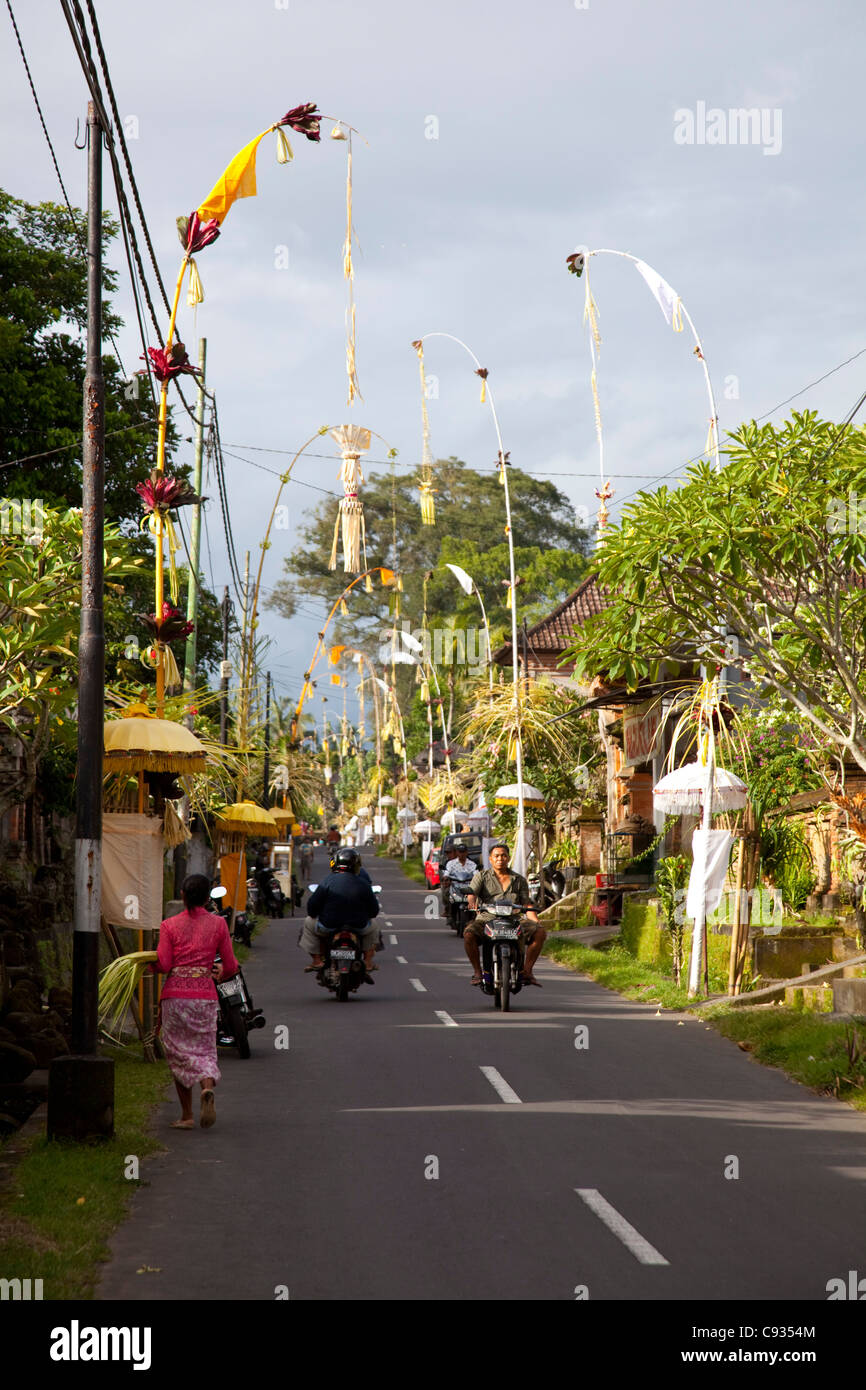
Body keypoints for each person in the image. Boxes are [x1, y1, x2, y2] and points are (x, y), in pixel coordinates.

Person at [153, 873, 239, 1130]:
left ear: (182, 896)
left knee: (179, 1051)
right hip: (205, 997)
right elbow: (231, 965)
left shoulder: (169, 925)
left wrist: (148, 964)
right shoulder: (219, 925)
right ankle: (207, 1088)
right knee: (204, 1049)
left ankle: (187, 1115)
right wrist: (221, 970)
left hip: (175, 997)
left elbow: (164, 963)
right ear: (206, 897)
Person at [465, 841, 546, 987]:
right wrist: (472, 902)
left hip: (514, 919)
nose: (500, 859)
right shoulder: (481, 876)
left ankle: (527, 972)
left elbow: (526, 903)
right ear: (490, 859)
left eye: (503, 856)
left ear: (508, 858)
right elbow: (472, 893)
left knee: (540, 932)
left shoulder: (519, 880)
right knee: (469, 934)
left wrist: (535, 920)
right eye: (496, 856)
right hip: (487, 918)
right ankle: (478, 972)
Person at [301, 846, 381, 981]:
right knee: (374, 926)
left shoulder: (327, 881)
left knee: (308, 922)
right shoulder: (363, 884)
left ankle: (317, 960)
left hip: (329, 925)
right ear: (356, 864)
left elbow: (312, 907)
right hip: (358, 926)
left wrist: (315, 914)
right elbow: (374, 911)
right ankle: (367, 961)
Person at [440, 838, 477, 925]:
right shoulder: (451, 863)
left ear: (466, 852)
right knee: (446, 892)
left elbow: (476, 873)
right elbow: (447, 872)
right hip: (455, 886)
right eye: (460, 852)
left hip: (468, 886)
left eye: (463, 852)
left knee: (478, 898)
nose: (462, 854)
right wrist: (445, 878)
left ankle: (476, 917)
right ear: (457, 853)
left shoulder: (472, 864)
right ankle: (448, 911)